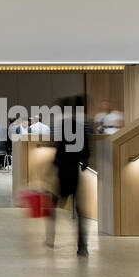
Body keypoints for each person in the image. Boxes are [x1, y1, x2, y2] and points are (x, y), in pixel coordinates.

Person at [46, 96, 93, 256]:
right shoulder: (80, 127)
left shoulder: (64, 125)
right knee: (80, 211)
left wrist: (53, 166)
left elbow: (59, 150)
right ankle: (82, 247)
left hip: (62, 173)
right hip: (74, 172)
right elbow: (85, 150)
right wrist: (84, 162)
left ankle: (50, 238)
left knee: (53, 206)